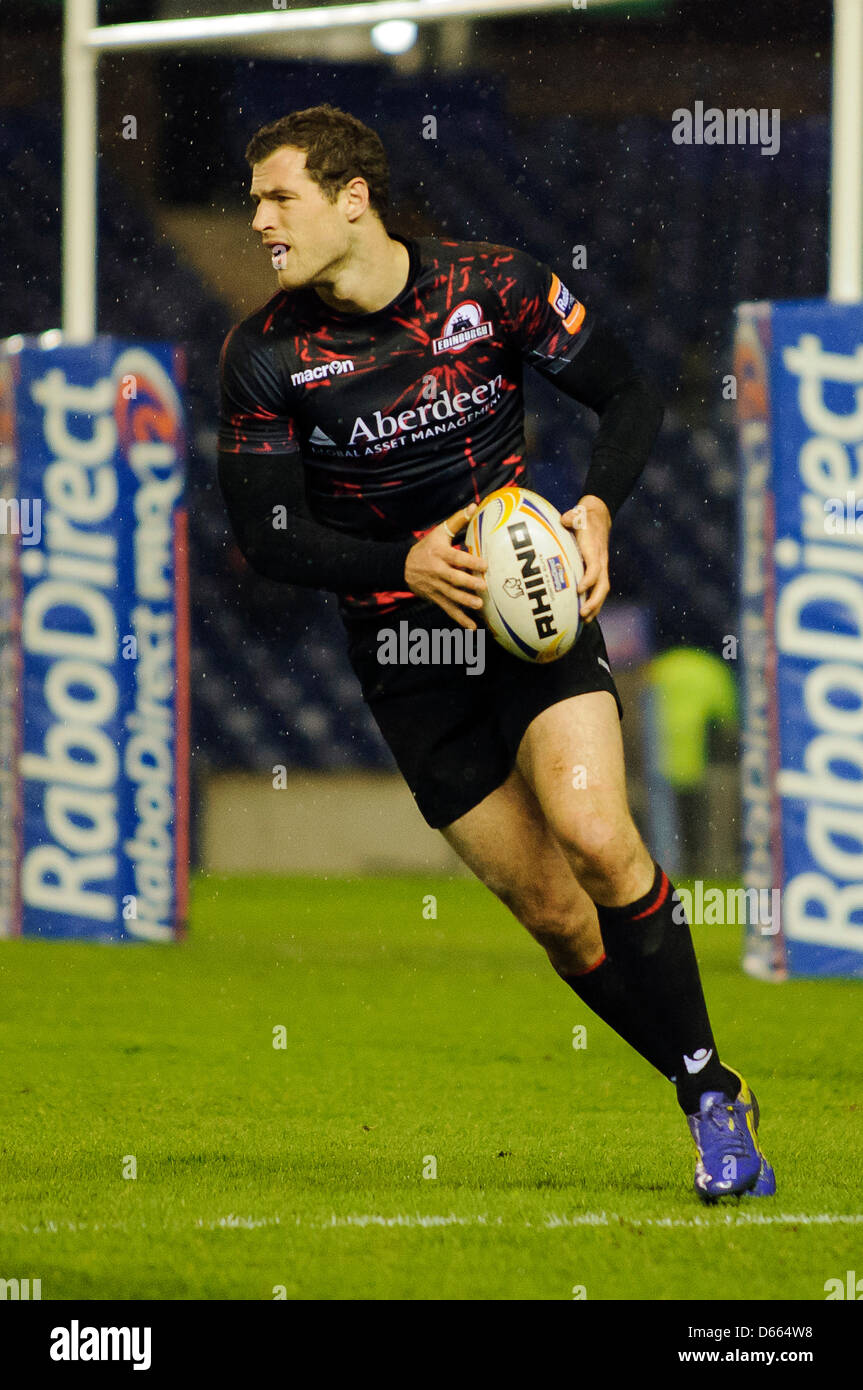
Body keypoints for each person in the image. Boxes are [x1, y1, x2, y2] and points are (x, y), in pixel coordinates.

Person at [217, 104, 774, 1202]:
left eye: (278, 196)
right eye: (251, 201)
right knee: (558, 920)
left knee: (596, 836)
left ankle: (706, 1105)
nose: (259, 220)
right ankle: (712, 1079)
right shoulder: (265, 355)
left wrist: (599, 509)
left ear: (350, 196)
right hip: (402, 647)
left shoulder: (491, 285)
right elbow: (265, 536)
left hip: (527, 612)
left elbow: (625, 389)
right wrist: (402, 561)